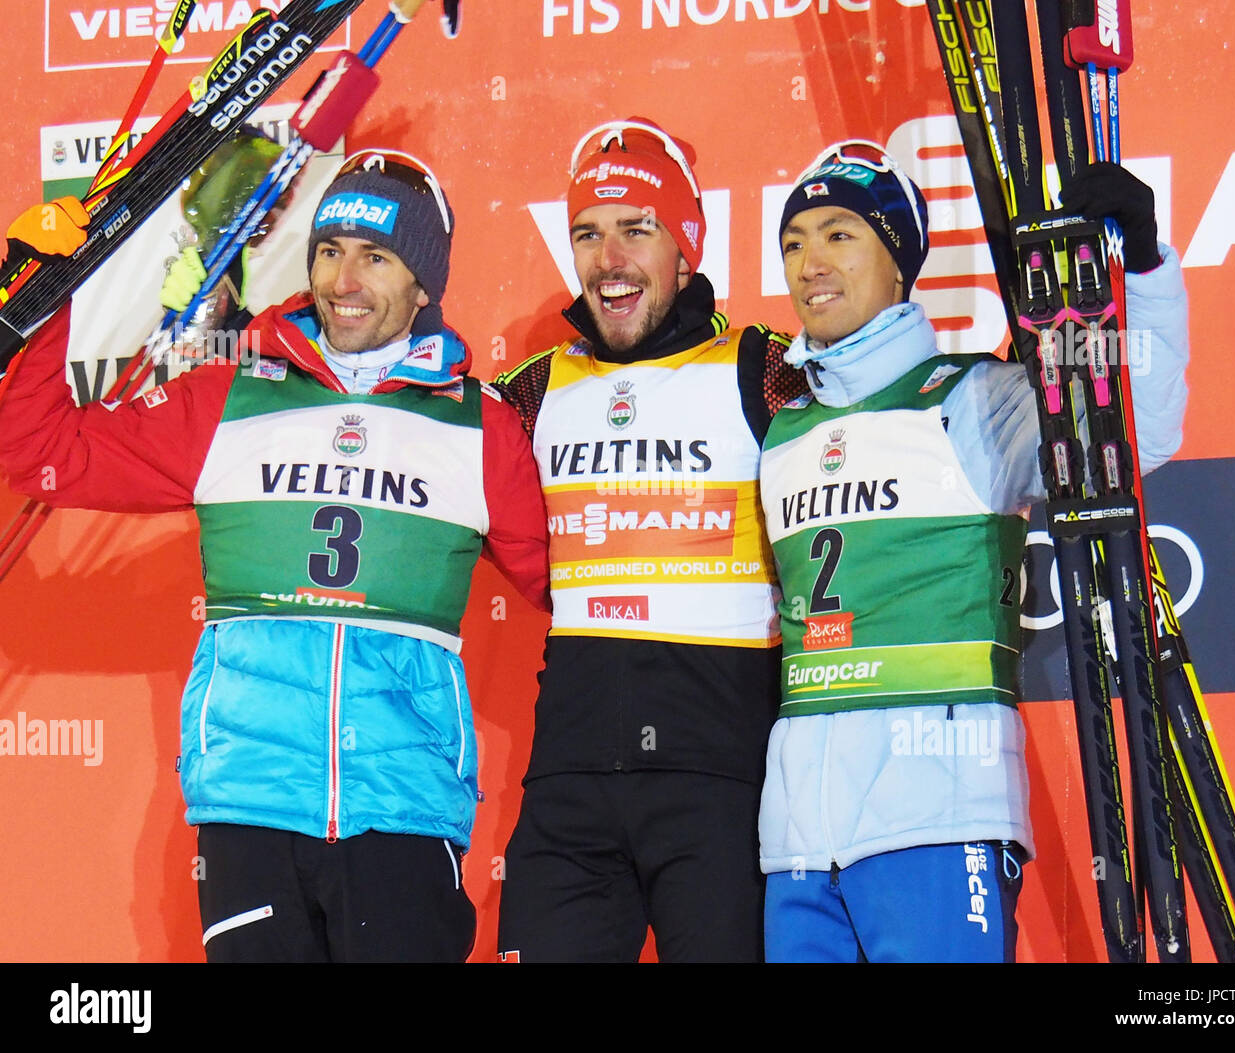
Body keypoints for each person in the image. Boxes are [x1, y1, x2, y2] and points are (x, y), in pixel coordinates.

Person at [0, 150, 549, 962]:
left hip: (402, 807)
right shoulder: (228, 397)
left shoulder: (482, 429)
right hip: (252, 802)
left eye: (376, 256)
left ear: (425, 282)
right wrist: (43, 296)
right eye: (330, 250)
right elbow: (38, 448)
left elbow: (584, 588)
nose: (345, 280)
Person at [758, 141, 1189, 962]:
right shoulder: (784, 430)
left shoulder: (975, 398)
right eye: (794, 241)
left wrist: (1141, 266)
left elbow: (1137, 425)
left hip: (939, 821)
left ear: (899, 260)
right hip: (799, 849)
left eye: (839, 235)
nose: (810, 262)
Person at [492, 118, 807, 962]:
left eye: (638, 229)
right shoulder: (530, 390)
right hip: (570, 786)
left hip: (717, 785)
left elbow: (895, 416)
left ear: (687, 246)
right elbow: (398, 427)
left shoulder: (764, 369)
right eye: (589, 235)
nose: (609, 259)